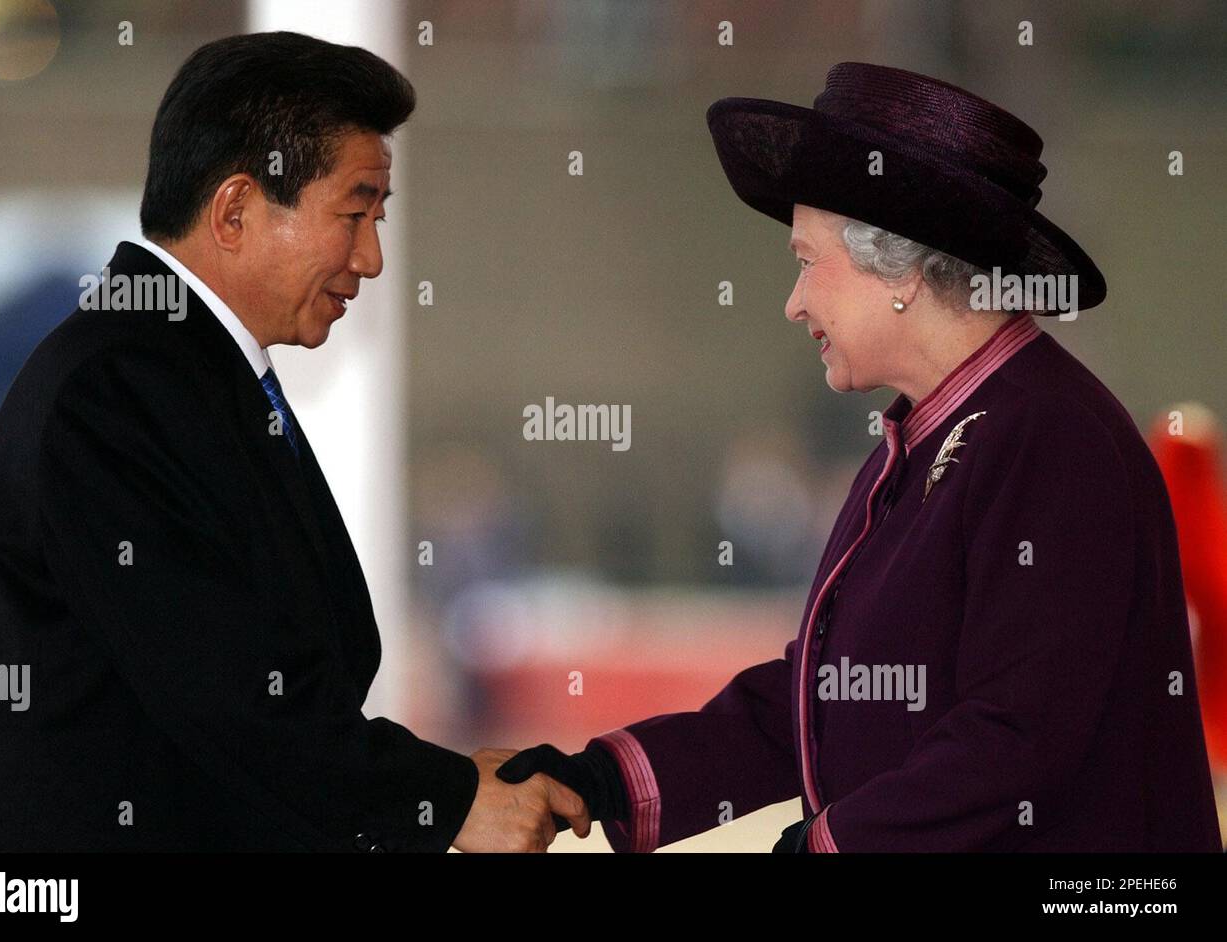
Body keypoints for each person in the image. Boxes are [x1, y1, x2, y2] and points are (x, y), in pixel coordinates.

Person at [499, 62, 1223, 852]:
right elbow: (823, 698)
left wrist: (826, 845)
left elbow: (1016, 740)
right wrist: (602, 780)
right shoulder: (928, 442)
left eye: (807, 261)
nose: (794, 301)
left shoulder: (1051, 438)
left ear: (903, 268)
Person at [0, 31, 587, 853]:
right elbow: (224, 690)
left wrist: (448, 785)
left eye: (378, 218)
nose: (372, 259)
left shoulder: (182, 373)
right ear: (235, 210)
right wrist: (446, 799)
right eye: (353, 214)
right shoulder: (113, 390)